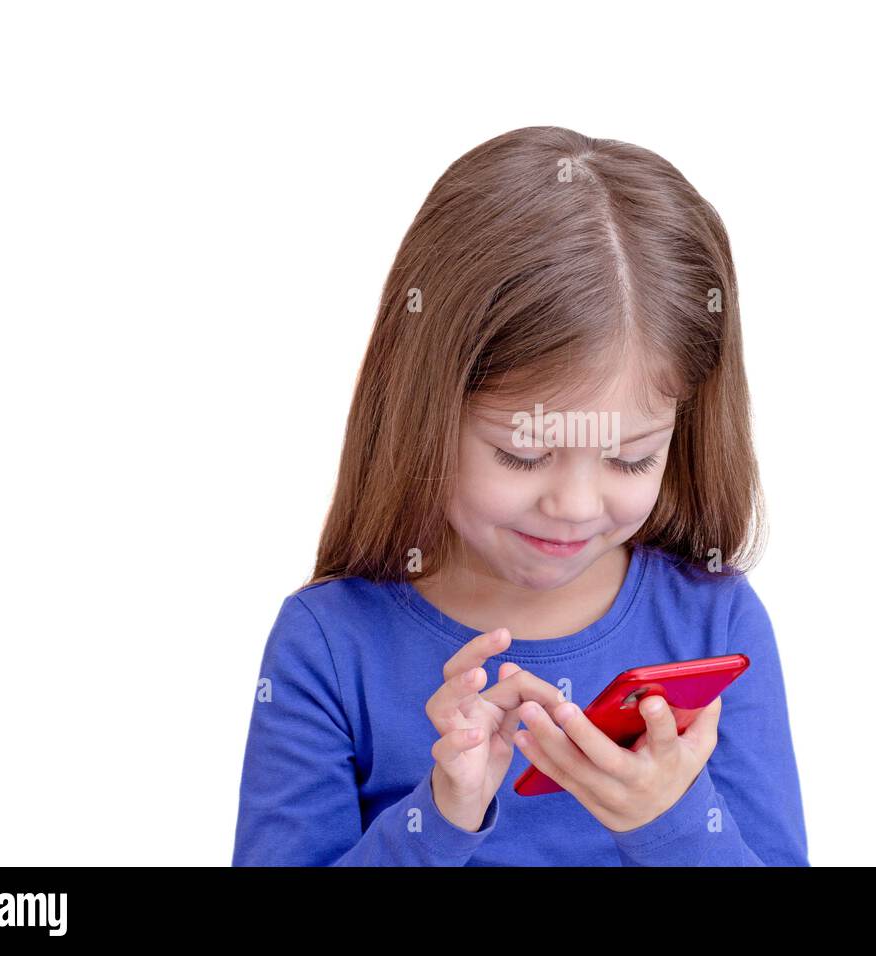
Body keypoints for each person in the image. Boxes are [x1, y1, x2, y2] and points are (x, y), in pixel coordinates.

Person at [231, 126, 809, 866]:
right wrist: (440, 818)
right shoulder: (329, 645)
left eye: (631, 459)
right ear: (425, 413)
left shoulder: (714, 624)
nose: (573, 505)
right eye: (523, 452)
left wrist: (671, 822)